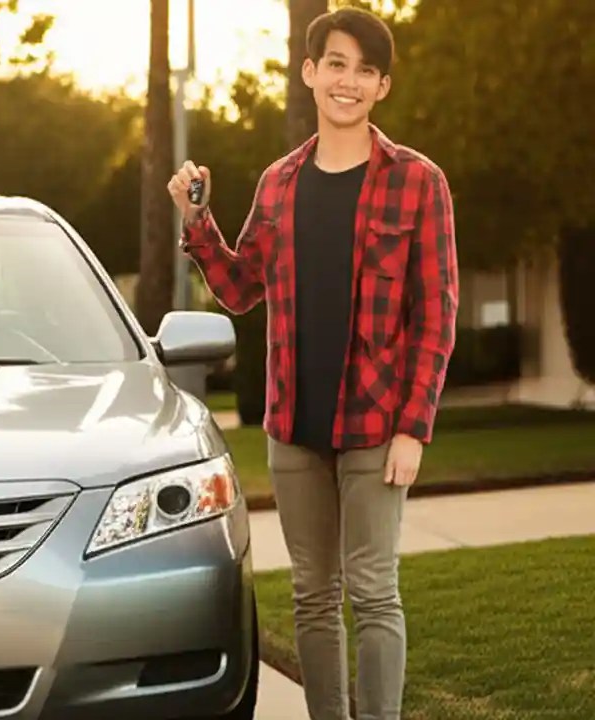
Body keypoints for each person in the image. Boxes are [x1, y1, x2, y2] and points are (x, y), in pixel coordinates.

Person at [167, 7, 458, 720]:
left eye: (365, 70)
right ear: (310, 72)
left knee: (374, 591)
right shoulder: (280, 184)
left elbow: (437, 315)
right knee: (312, 595)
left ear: (382, 86)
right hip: (293, 425)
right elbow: (241, 291)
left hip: (377, 423)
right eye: (336, 64)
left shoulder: (420, 182)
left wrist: (413, 428)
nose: (348, 81)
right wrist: (196, 221)